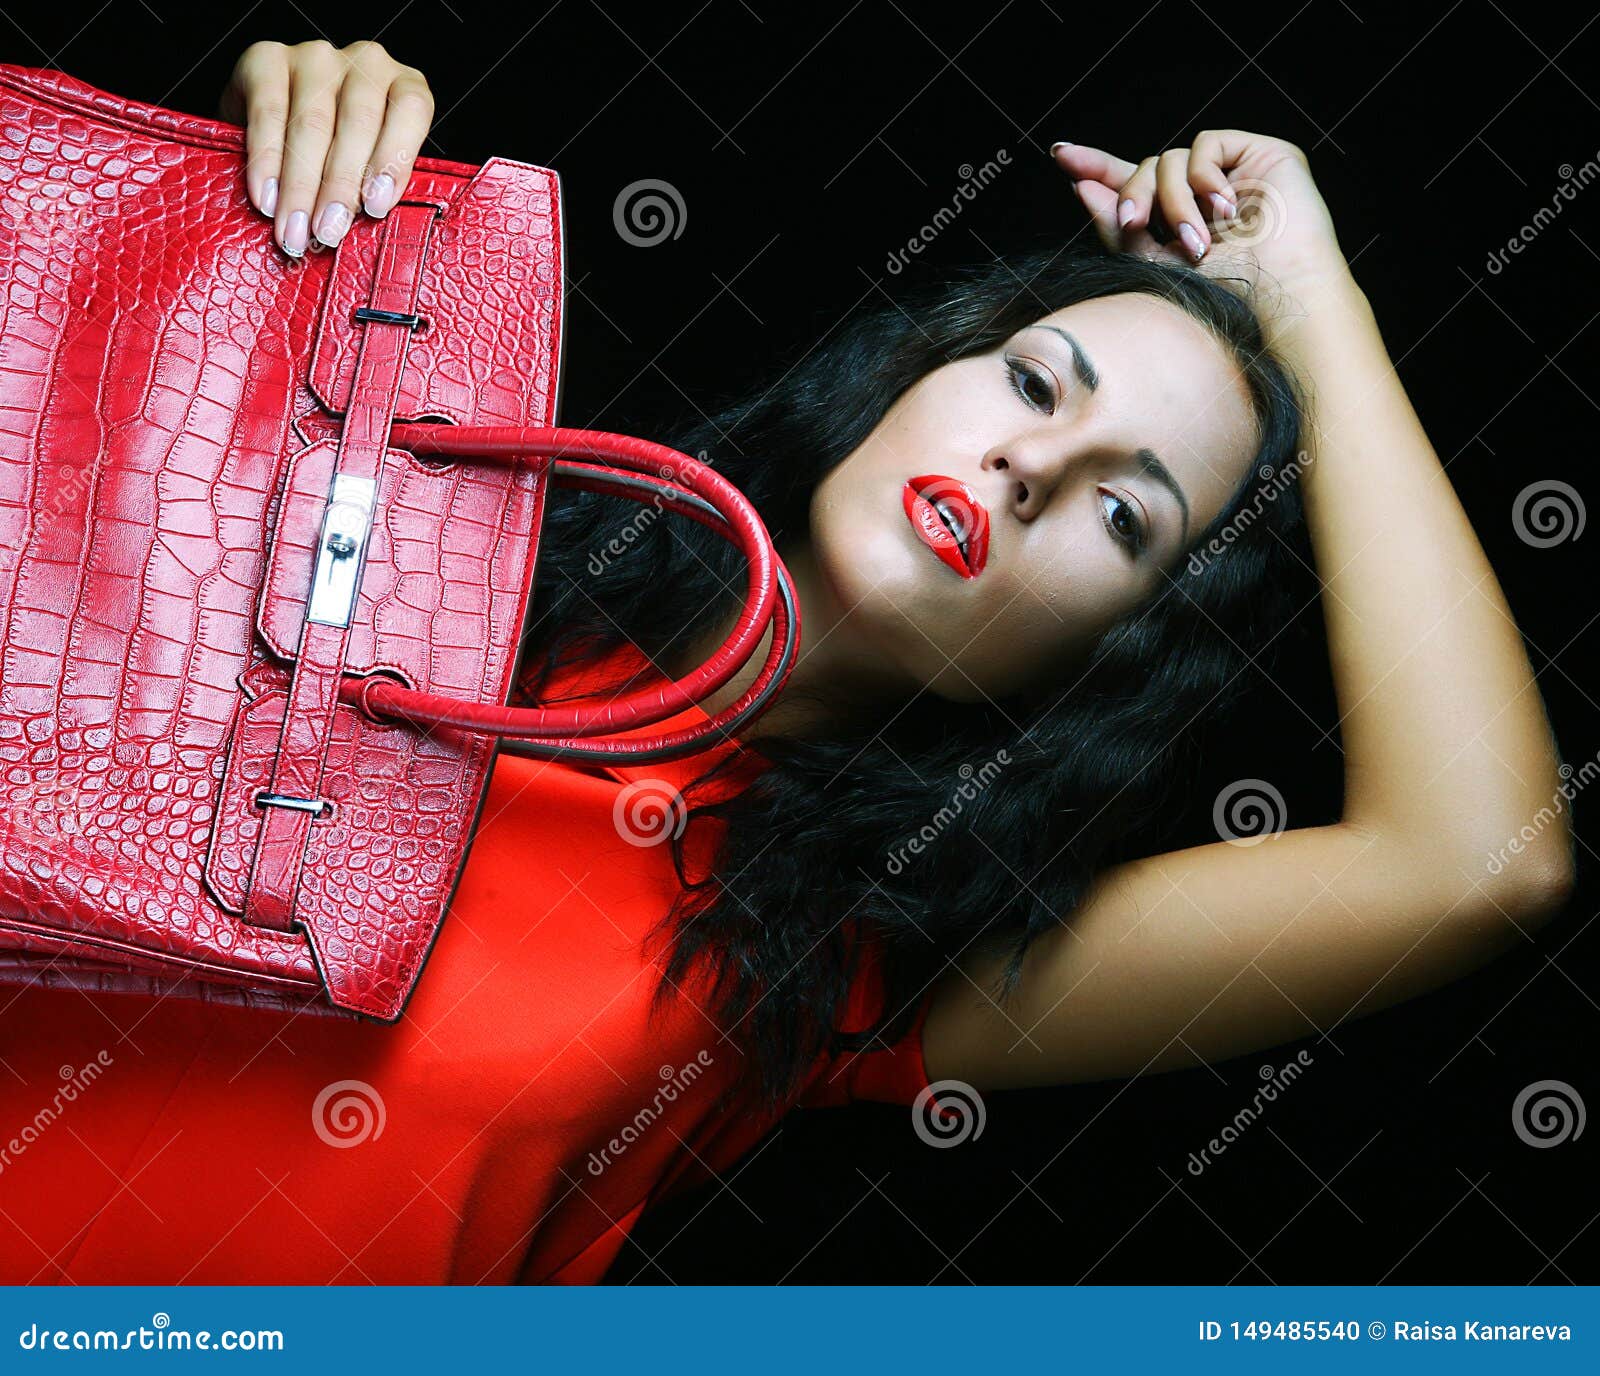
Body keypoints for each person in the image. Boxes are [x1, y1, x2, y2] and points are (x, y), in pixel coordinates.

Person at [0, 39, 1573, 1285]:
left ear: (1115, 652)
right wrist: (247, 206)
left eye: (1122, 508)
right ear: (910, 374)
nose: (1034, 464)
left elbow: (1467, 861)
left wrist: (1312, 303)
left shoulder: (835, 969)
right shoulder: (414, 542)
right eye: (1035, 379)